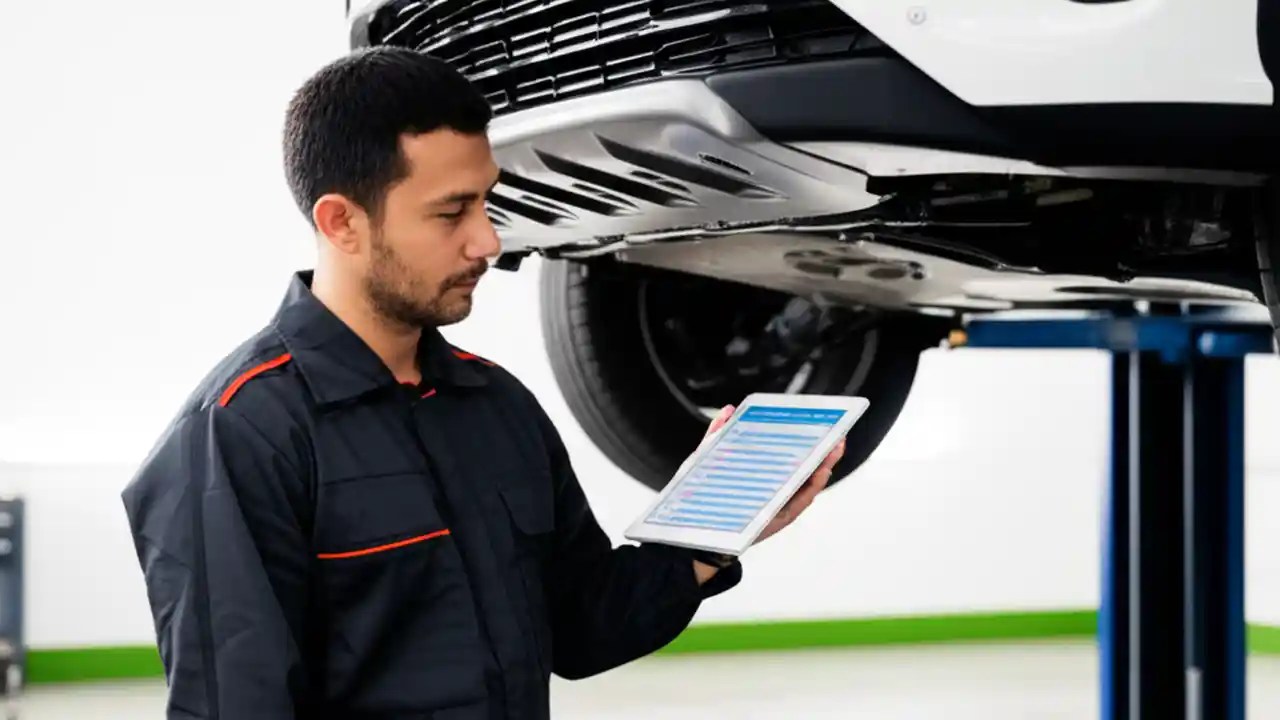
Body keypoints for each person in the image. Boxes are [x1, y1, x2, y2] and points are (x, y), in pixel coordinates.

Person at [121, 46, 845, 720]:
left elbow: (582, 628)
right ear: (341, 222)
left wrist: (706, 537)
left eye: (486, 201)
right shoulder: (239, 436)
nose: (489, 241)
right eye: (451, 212)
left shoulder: (497, 406)